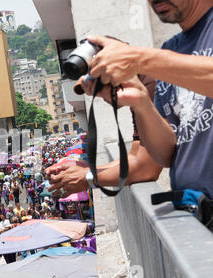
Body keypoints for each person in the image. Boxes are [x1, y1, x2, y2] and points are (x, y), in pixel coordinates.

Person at [54, 2, 213, 212]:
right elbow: (165, 155)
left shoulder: (157, 59)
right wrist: (141, 104)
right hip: (197, 218)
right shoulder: (171, 49)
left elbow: (145, 167)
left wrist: (139, 60)